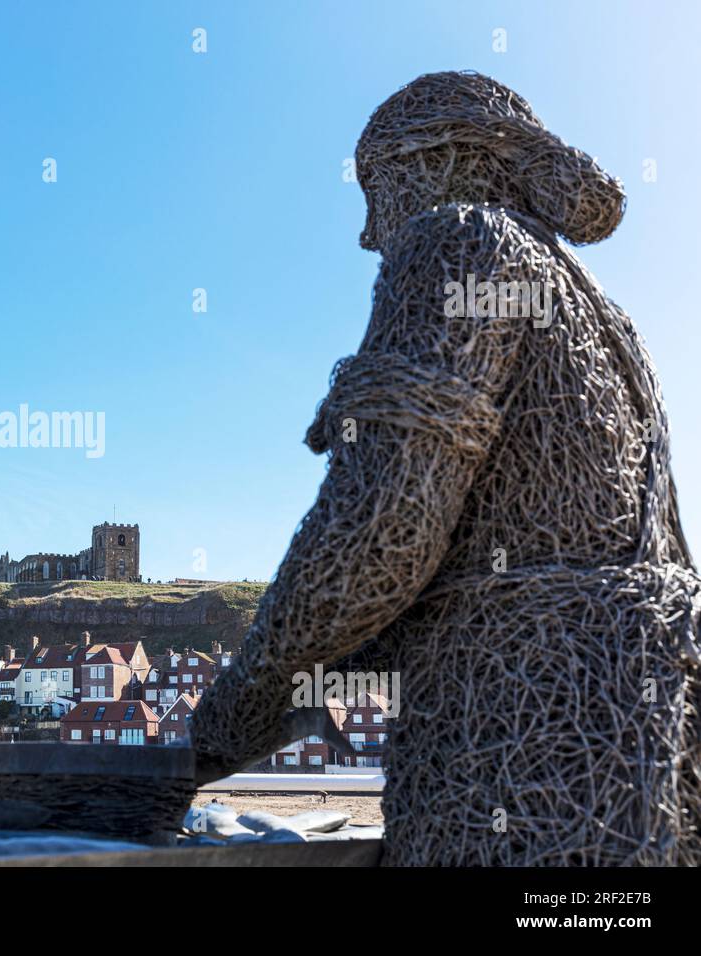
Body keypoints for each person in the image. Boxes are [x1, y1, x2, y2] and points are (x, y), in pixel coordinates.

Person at [190, 72, 699, 865]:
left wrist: (227, 720)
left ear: (439, 161)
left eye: (376, 187)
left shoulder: (460, 242)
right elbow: (516, 566)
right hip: (637, 761)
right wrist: (321, 683)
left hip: (511, 752)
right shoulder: (604, 313)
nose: (367, 232)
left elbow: (379, 532)